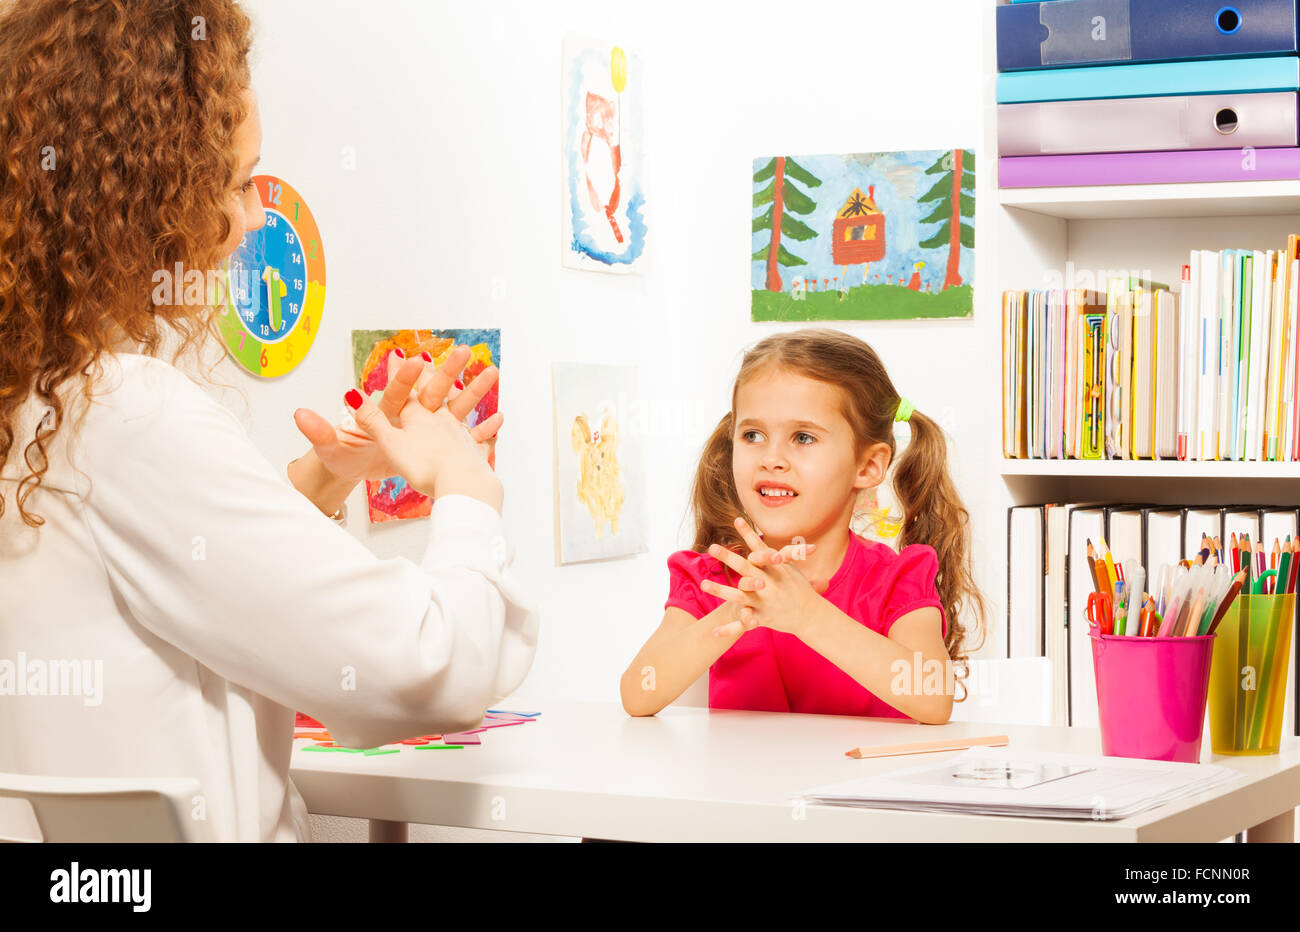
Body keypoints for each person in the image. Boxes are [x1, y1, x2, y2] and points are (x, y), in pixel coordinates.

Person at [0, 0, 537, 841]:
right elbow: (418, 669)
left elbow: (183, 577)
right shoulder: (127, 412)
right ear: (141, 195)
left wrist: (327, 477)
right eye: (236, 181)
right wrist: (466, 485)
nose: (255, 216)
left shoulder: (36, 403)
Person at [620, 329, 984, 723]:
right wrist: (736, 611)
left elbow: (932, 699)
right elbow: (638, 693)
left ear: (867, 466)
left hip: (864, 785)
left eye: (803, 437)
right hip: (744, 784)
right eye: (753, 435)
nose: (771, 458)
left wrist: (808, 616)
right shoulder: (713, 579)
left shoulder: (896, 580)